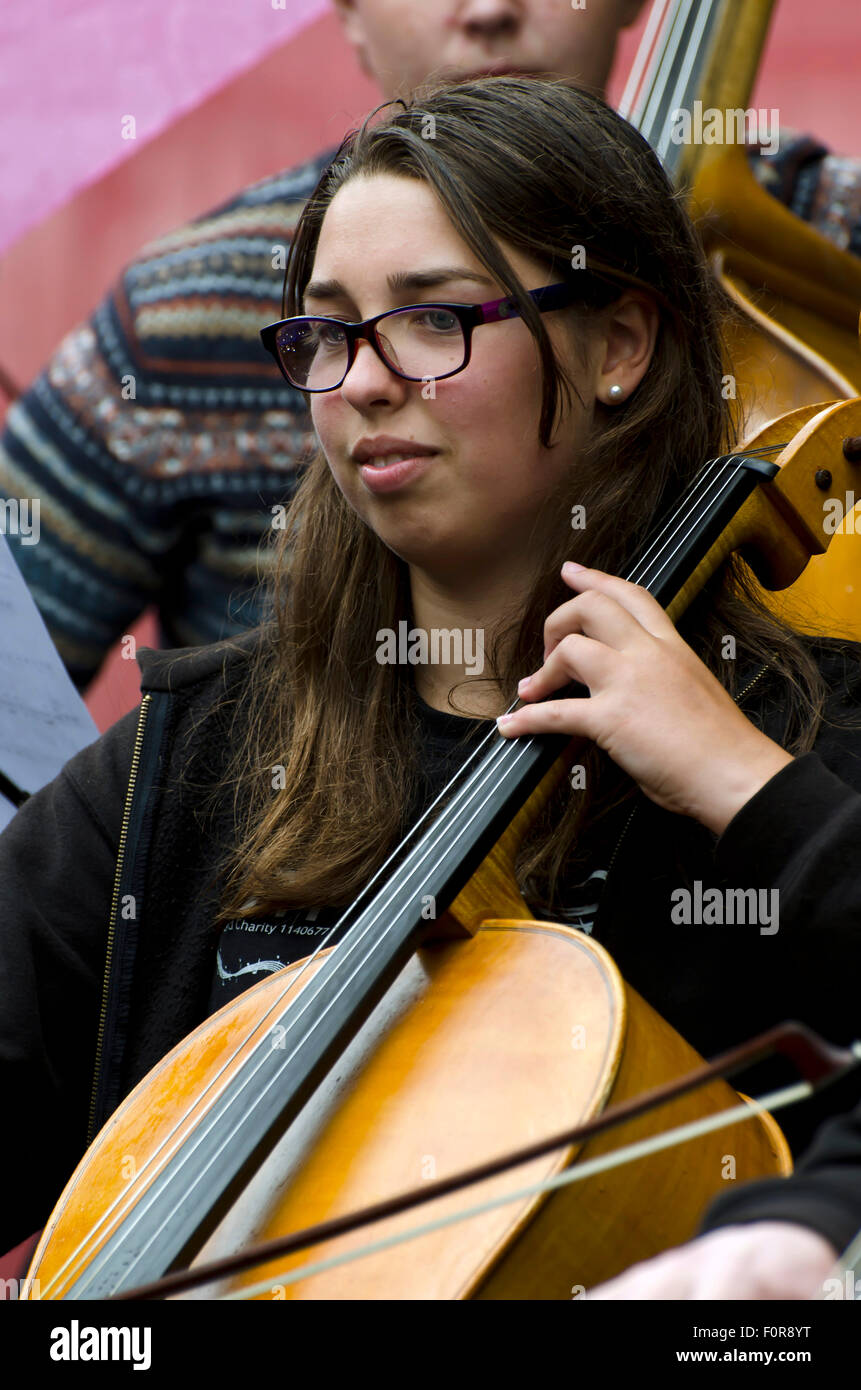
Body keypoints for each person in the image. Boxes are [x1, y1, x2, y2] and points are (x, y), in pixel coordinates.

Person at [3, 77, 861, 1299]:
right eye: (327, 332)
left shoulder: (808, 735)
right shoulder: (192, 756)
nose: (360, 381)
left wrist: (751, 786)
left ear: (619, 344)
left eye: (431, 320)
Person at [2, 0, 858, 689]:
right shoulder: (181, 309)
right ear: (345, 12)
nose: (487, 9)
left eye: (438, 315)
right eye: (330, 328)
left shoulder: (825, 243)